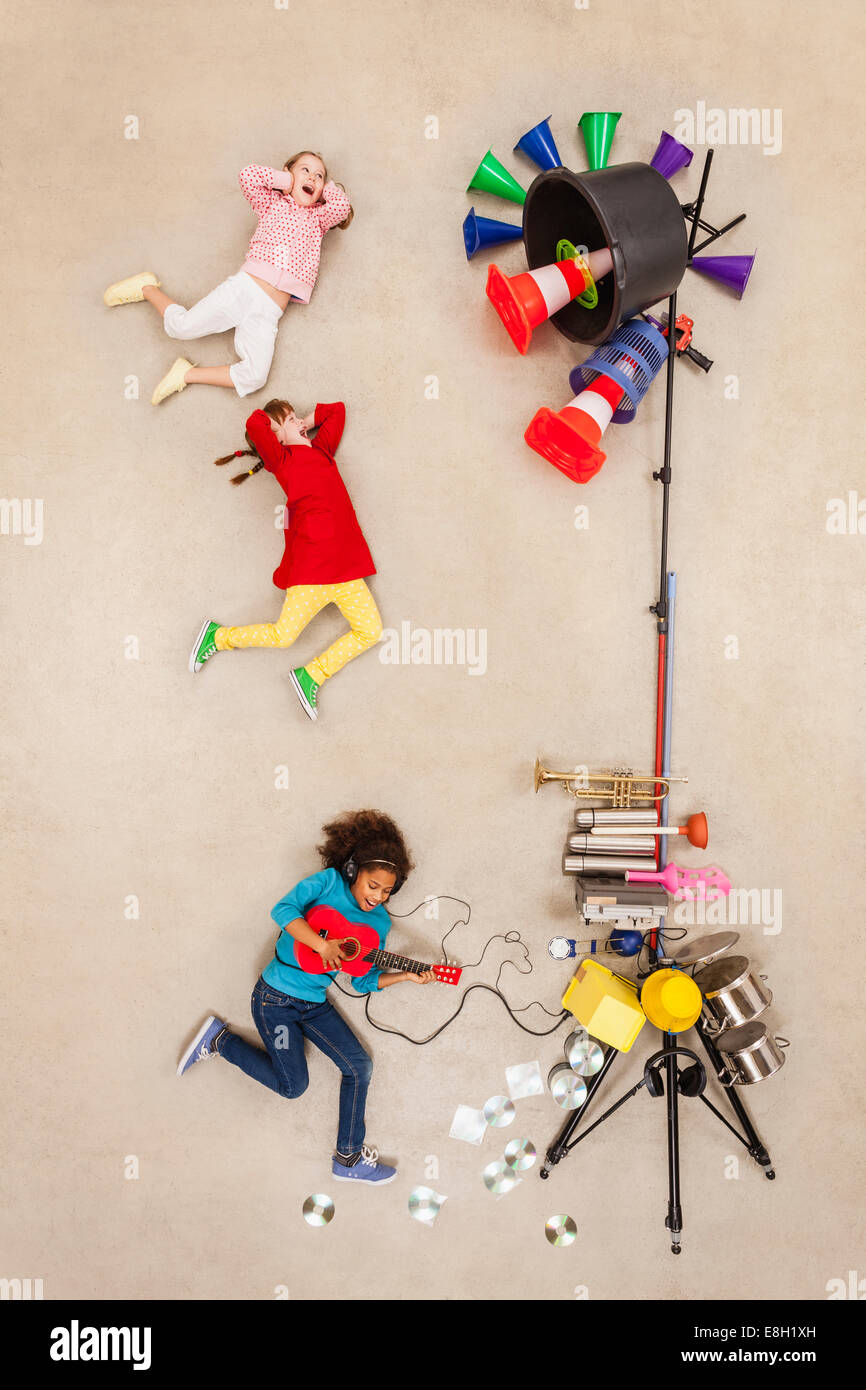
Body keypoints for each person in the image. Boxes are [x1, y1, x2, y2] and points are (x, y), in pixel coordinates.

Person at [177, 811, 434, 1184]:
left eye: (386, 891)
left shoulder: (379, 925)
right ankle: (221, 1040)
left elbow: (363, 982)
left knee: (359, 1066)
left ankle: (347, 1158)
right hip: (275, 1000)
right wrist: (320, 944)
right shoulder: (328, 883)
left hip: (314, 1004)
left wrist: (406, 976)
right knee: (293, 1087)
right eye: (372, 885)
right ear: (353, 871)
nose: (377, 897)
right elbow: (282, 911)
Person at [102, 151, 352, 403]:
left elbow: (341, 207)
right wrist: (287, 181)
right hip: (244, 289)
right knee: (181, 327)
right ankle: (147, 287)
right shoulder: (272, 204)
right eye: (305, 170)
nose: (312, 177)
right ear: (287, 173)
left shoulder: (317, 220)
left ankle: (187, 374)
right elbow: (248, 175)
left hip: (269, 313)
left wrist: (322, 191)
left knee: (256, 376)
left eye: (319, 175)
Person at [188, 396, 381, 721]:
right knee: (283, 636)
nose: (297, 423)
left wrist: (303, 420)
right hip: (313, 571)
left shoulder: (322, 451)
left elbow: (338, 410)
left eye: (295, 417)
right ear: (275, 439)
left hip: (347, 570)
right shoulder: (283, 461)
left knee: (371, 631)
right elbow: (254, 424)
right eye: (288, 421)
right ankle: (218, 636)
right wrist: (277, 426)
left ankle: (312, 675)